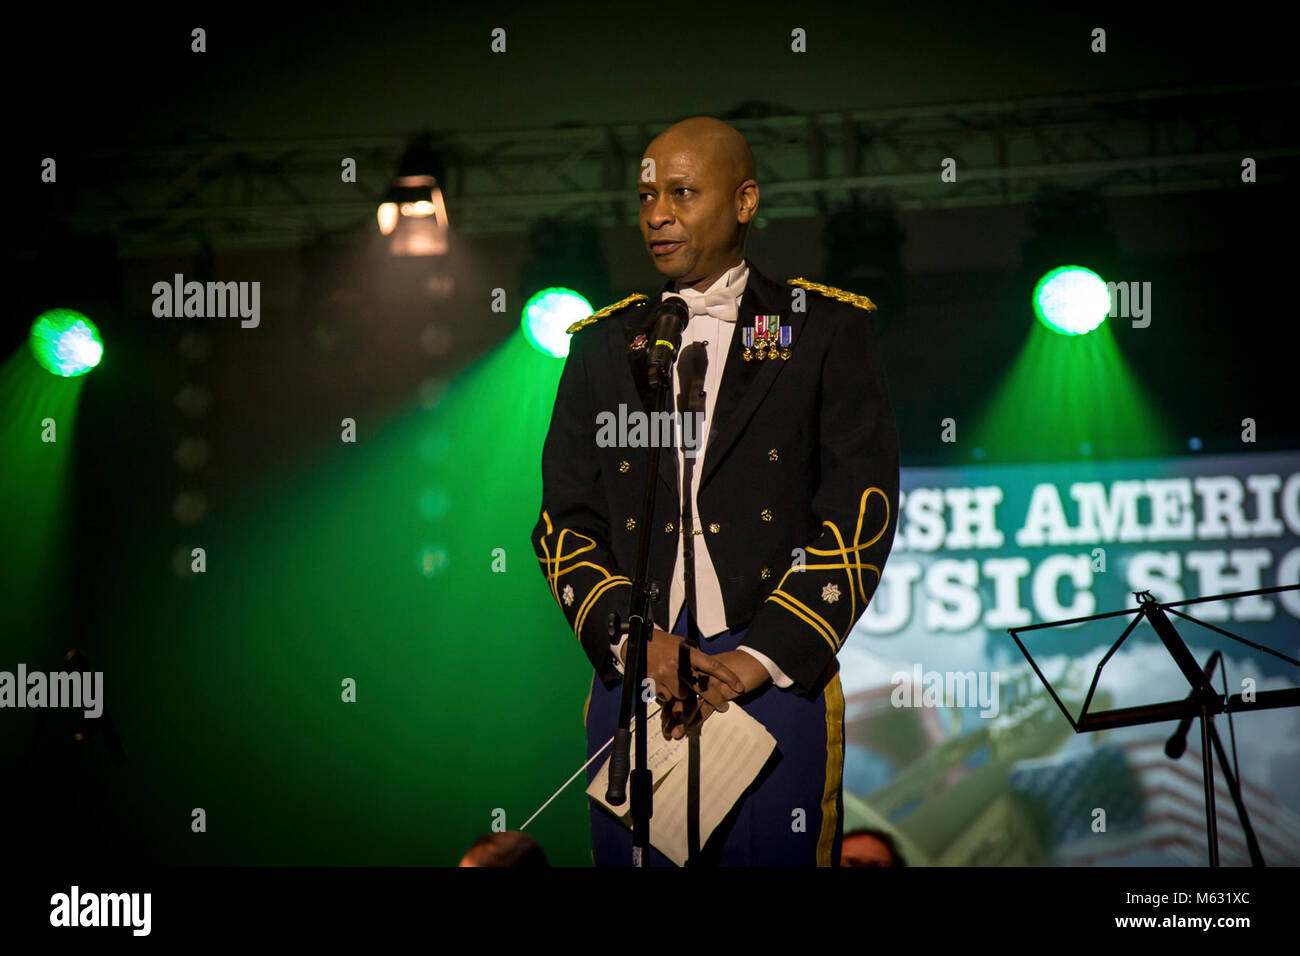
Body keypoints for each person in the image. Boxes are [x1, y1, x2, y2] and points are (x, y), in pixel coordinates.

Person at [531, 116, 899, 866]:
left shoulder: (823, 329)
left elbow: (862, 512)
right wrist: (640, 646)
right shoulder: (602, 345)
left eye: (682, 192)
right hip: (636, 673)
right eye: (645, 196)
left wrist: (755, 659)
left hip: (771, 674)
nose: (657, 213)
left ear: (745, 200)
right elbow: (564, 523)